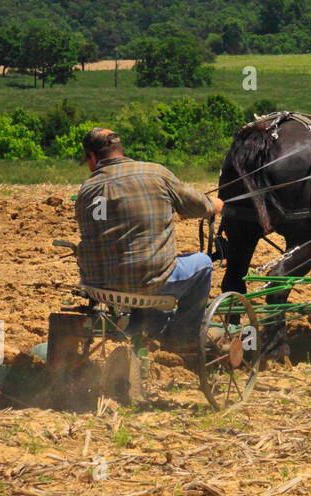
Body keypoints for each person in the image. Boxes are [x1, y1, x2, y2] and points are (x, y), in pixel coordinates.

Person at [74, 127, 224, 347]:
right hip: (145, 283)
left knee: (132, 256)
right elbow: (196, 207)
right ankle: (183, 338)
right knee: (202, 264)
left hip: (98, 285)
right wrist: (214, 206)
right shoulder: (156, 173)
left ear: (92, 157)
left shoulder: (86, 189)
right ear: (119, 150)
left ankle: (146, 324)